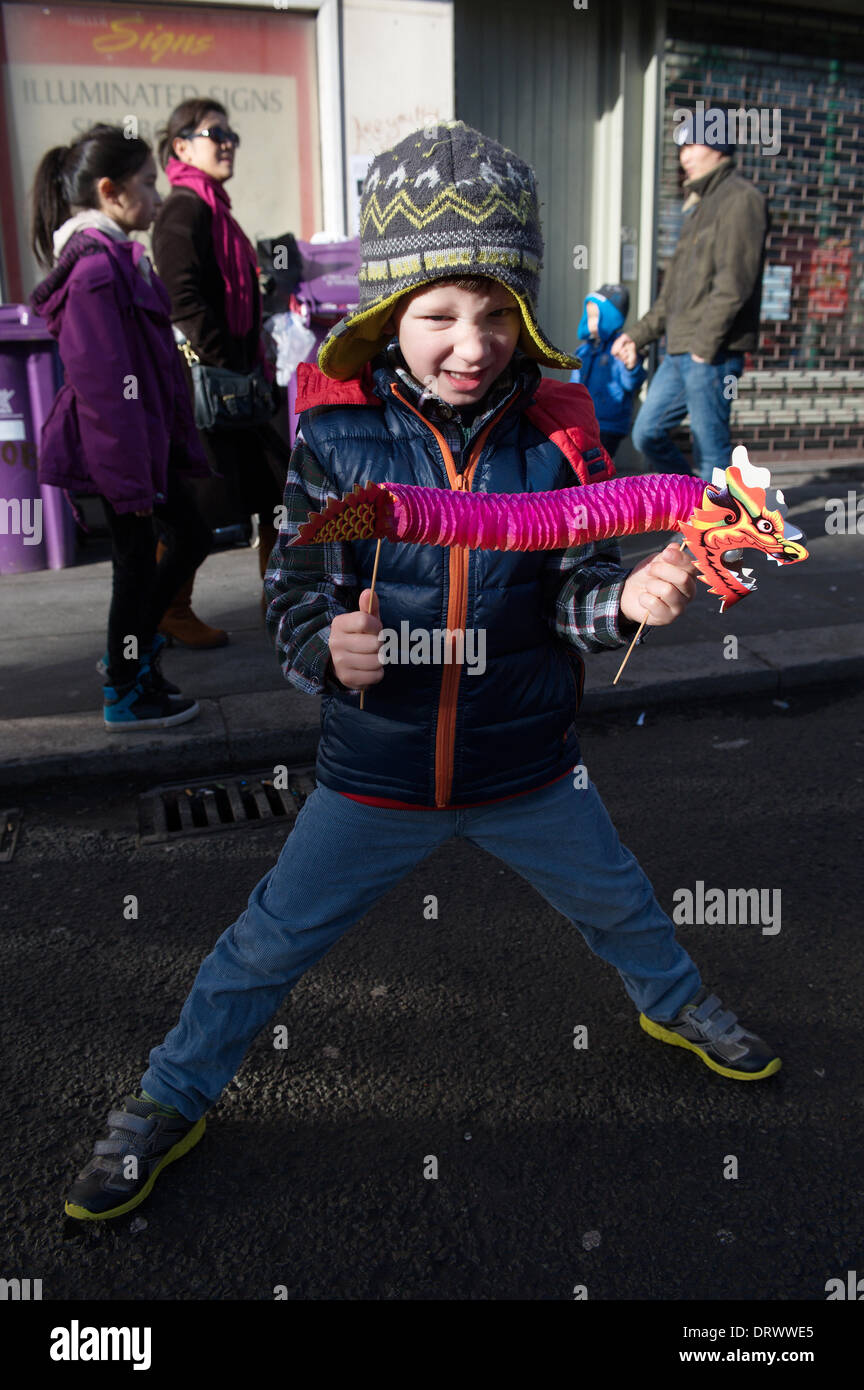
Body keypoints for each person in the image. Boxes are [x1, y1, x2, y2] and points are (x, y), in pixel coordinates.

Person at [64, 122, 781, 1222]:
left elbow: (572, 597)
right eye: (440, 315)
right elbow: (297, 590)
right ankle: (172, 1091)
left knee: (622, 901)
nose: (472, 343)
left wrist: (627, 600)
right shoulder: (335, 440)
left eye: (498, 313)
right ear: (388, 317)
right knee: (266, 940)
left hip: (529, 767)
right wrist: (324, 652)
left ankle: (675, 1002)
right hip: (374, 772)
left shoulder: (559, 440)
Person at [30, 124, 212, 731]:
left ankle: (127, 658)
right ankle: (128, 687)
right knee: (143, 561)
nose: (157, 198)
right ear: (109, 191)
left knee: (178, 540)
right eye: (146, 184)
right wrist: (133, 482)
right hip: (121, 454)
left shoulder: (114, 259)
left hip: (138, 449)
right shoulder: (95, 272)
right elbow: (107, 389)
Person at [151, 98, 287, 644]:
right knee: (200, 509)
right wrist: (226, 362)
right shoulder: (184, 210)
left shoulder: (215, 209)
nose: (227, 141)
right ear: (181, 145)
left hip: (239, 380)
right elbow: (180, 299)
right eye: (214, 133)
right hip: (210, 385)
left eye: (231, 133)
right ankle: (169, 609)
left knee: (278, 493)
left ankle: (279, 600)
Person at [613, 121, 768, 480]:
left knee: (711, 449)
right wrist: (637, 336)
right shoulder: (698, 206)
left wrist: (704, 347)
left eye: (691, 146)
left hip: (710, 353)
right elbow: (672, 298)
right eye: (681, 149)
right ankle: (695, 507)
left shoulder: (741, 200)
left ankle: (720, 531)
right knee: (646, 433)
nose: (684, 157)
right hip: (679, 351)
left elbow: (735, 285)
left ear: (719, 148)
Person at [568, 283, 646, 458]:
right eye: (589, 317)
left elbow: (631, 383)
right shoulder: (584, 350)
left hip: (608, 425)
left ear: (611, 317)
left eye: (596, 317)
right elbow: (574, 385)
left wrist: (631, 366)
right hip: (582, 422)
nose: (591, 322)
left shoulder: (620, 348)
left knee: (597, 467)